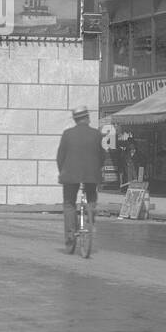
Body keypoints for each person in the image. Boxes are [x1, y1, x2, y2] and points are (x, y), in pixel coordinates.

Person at [57, 105, 104, 251]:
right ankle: (90, 220)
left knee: (69, 204)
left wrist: (63, 171)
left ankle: (70, 239)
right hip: (91, 175)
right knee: (91, 197)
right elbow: (102, 156)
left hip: (70, 174)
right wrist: (97, 170)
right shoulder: (96, 134)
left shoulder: (67, 134)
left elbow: (60, 157)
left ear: (75, 120)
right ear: (88, 118)